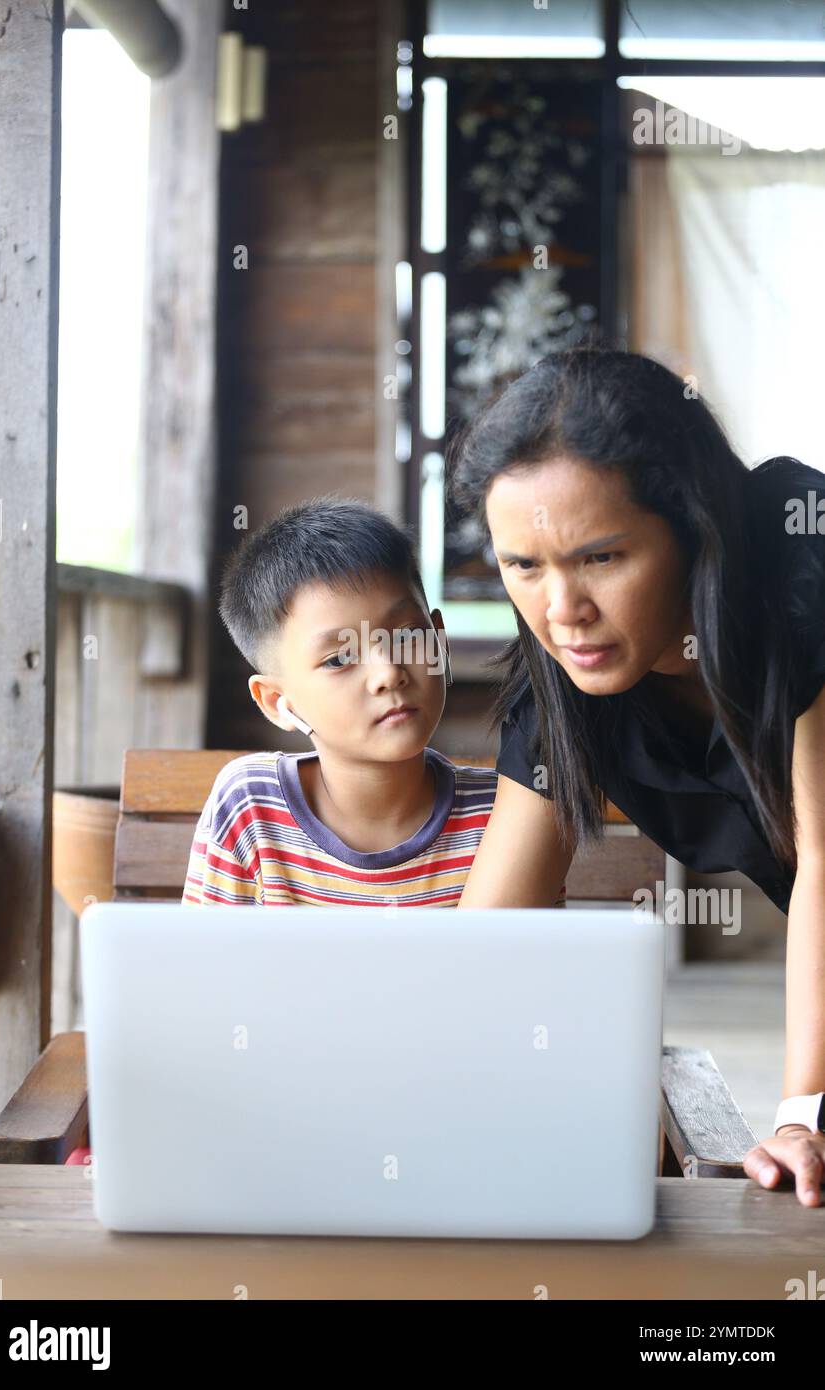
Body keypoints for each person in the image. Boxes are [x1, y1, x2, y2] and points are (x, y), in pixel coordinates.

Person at [450, 347, 825, 1206]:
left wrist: (803, 1113)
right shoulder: (566, 690)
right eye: (523, 567)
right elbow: (484, 947)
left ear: (695, 528)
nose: (561, 608)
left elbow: (824, 856)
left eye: (602, 558)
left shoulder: (800, 567)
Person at [181, 497, 505, 908]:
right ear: (278, 701)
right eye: (339, 658)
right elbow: (207, 967)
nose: (388, 672)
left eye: (406, 637)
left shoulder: (499, 815)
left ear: (438, 641)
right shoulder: (250, 809)